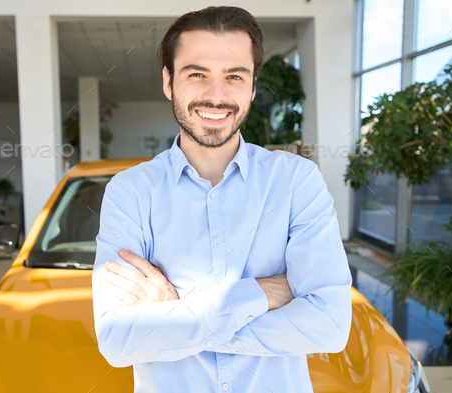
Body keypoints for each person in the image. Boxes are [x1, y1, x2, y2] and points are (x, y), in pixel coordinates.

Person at [92, 5, 352, 393]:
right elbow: (117, 341)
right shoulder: (130, 191)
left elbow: (329, 327)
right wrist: (262, 293)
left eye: (234, 76)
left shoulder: (296, 181)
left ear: (252, 84)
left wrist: (175, 312)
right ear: (168, 81)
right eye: (197, 74)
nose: (216, 96)